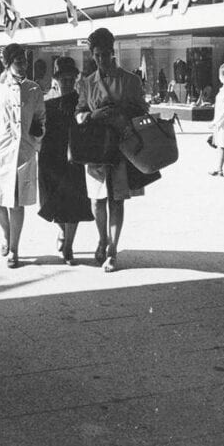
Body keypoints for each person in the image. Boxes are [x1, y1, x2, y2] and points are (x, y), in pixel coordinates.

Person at [76, 28, 158, 273]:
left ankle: (112, 250)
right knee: (97, 201)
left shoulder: (130, 80)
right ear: (92, 55)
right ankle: (102, 238)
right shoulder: (87, 83)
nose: (101, 59)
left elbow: (142, 111)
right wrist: (92, 114)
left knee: (117, 200)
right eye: (96, 55)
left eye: (105, 54)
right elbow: (79, 114)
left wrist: (123, 112)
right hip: (96, 148)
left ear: (113, 54)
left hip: (121, 149)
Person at [0, 43, 45, 268]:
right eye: (18, 62)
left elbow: (41, 119)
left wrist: (36, 137)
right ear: (8, 63)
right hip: (0, 152)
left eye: (24, 61)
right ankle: (6, 233)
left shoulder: (33, 89)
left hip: (23, 153)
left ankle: (14, 249)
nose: (23, 66)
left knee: (17, 203)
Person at [37, 56, 93, 265]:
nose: (67, 81)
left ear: (76, 78)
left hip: (74, 157)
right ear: (56, 79)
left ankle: (69, 246)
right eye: (63, 78)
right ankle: (62, 231)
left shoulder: (82, 101)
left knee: (75, 202)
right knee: (50, 201)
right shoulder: (46, 101)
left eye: (71, 78)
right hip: (50, 157)